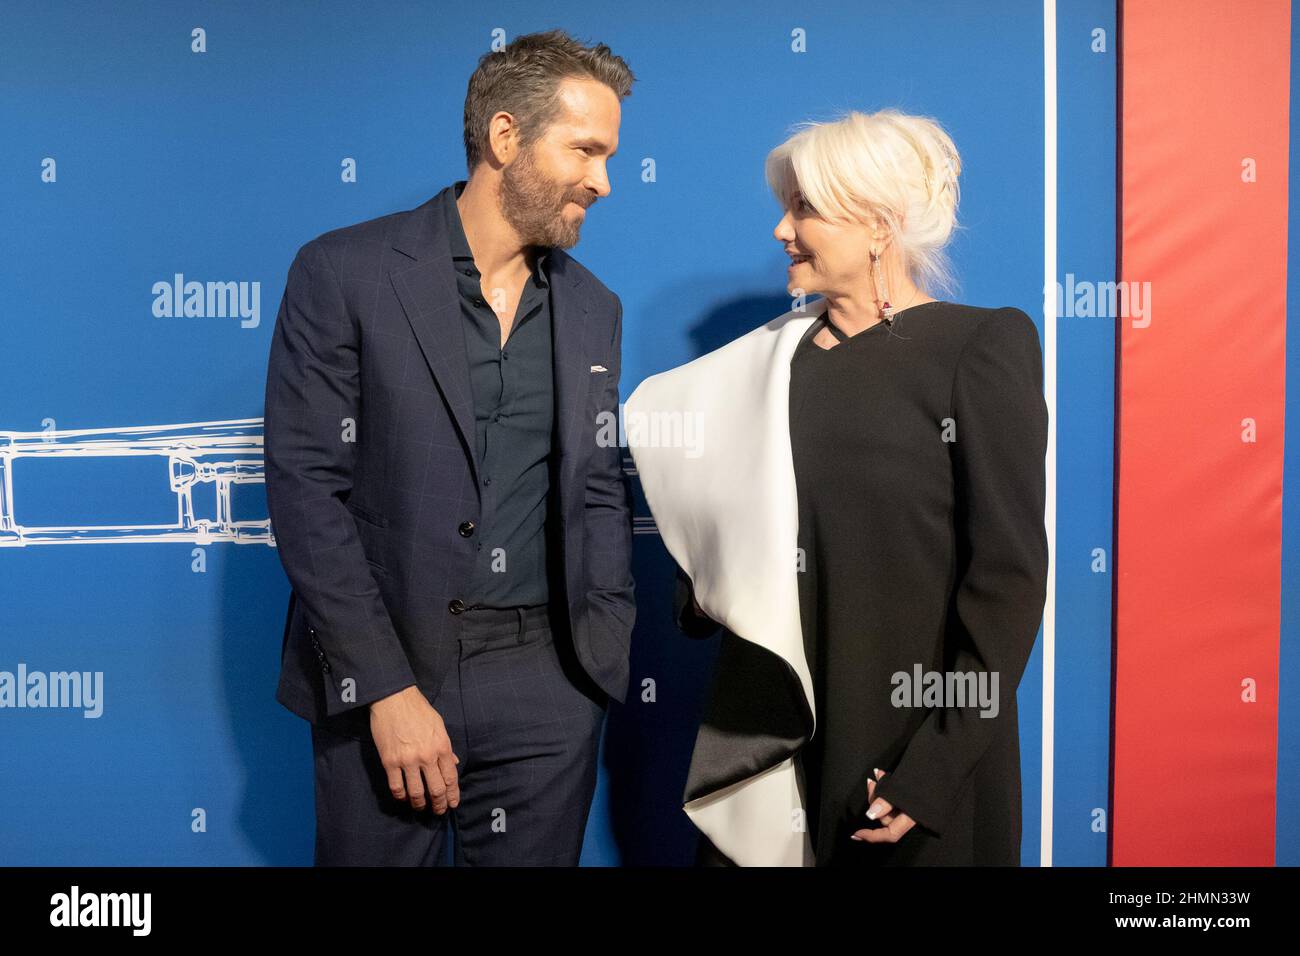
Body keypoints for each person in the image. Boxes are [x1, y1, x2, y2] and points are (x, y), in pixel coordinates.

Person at [630, 108, 1048, 866]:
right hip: (772, 736)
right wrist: (710, 583)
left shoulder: (980, 347)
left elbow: (1009, 578)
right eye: (784, 207)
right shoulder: (758, 369)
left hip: (912, 748)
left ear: (878, 225)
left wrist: (935, 767)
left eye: (804, 208)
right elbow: (712, 544)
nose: (781, 232)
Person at [263, 30, 637, 866]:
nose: (604, 181)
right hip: (388, 672)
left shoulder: (593, 308)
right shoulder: (344, 272)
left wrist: (595, 662)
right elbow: (305, 489)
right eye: (585, 150)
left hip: (549, 683)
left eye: (609, 156)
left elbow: (596, 487)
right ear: (505, 139)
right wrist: (384, 687)